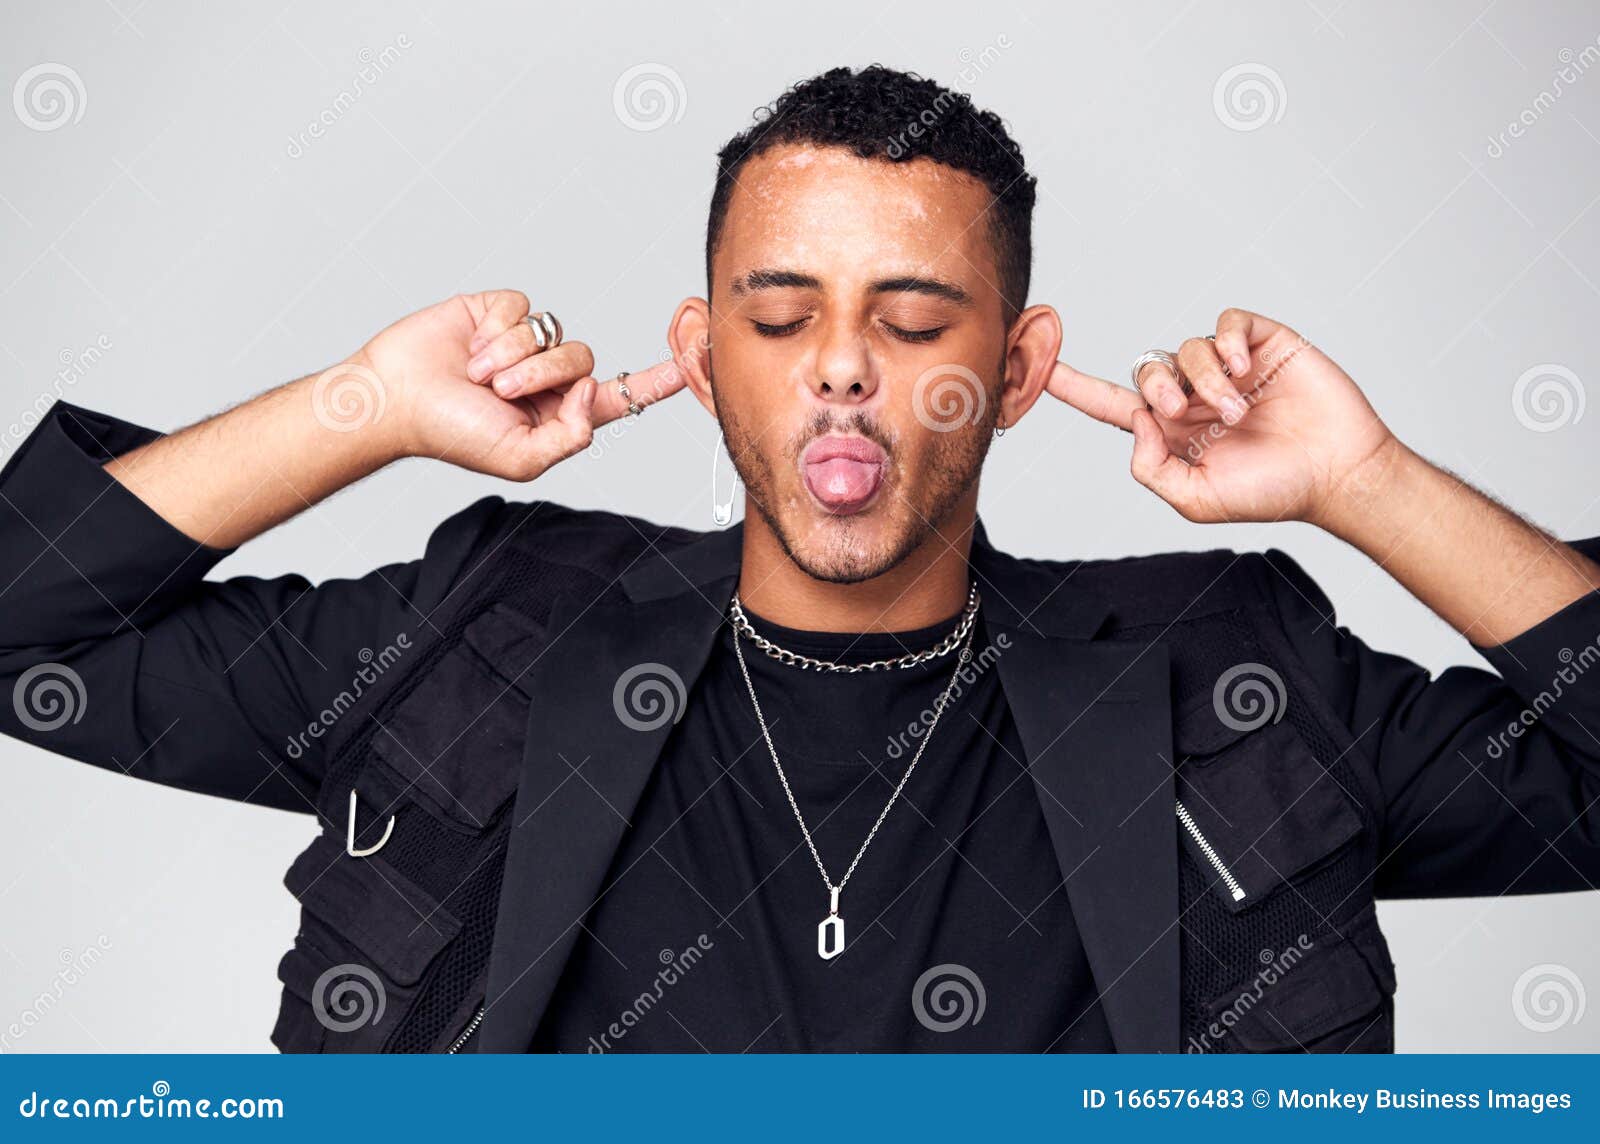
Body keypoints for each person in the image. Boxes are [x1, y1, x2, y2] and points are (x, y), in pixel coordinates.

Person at [2, 65, 1597, 1054]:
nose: (841, 368)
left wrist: (1365, 483)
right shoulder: (483, 631)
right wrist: (365, 409)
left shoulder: (1229, 677)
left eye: (912, 323)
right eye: (780, 320)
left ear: (1022, 368)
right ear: (701, 357)